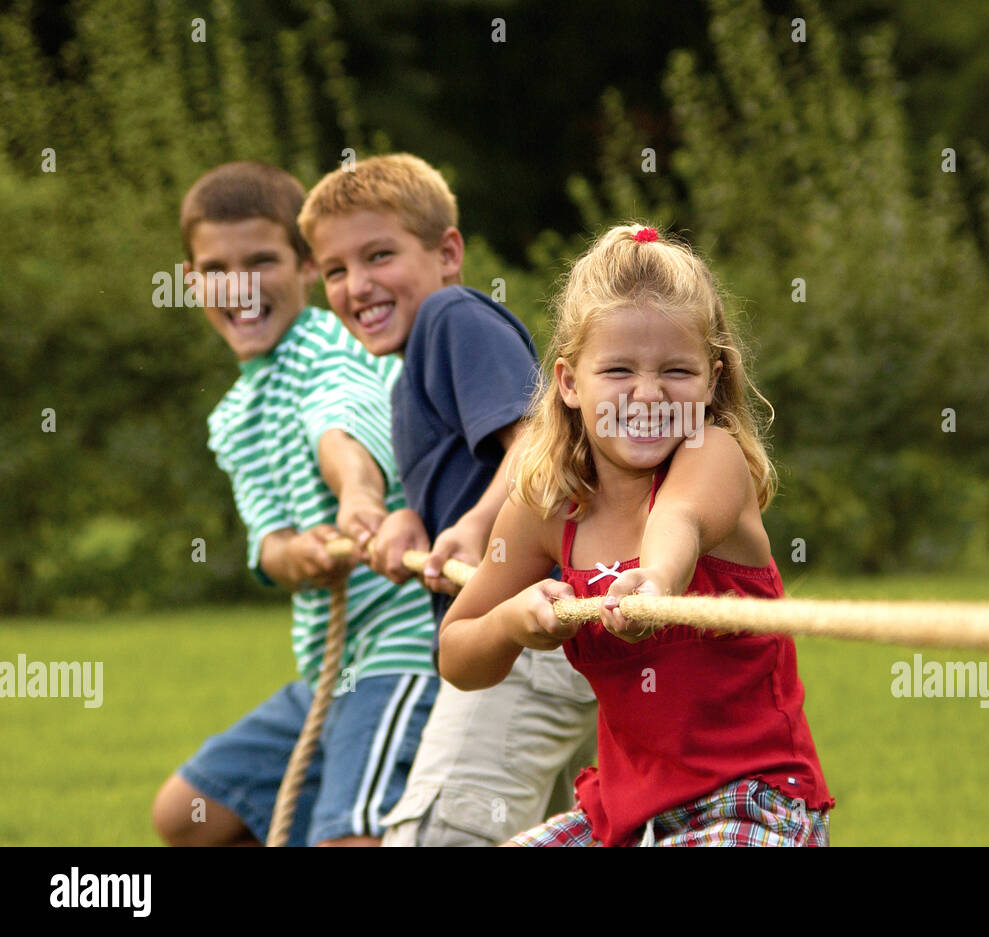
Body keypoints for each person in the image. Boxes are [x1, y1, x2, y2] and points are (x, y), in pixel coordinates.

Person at [438, 224, 833, 846]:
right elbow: (457, 651)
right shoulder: (548, 507)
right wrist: (514, 622)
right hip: (623, 815)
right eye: (619, 369)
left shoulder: (711, 453)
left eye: (676, 371)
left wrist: (654, 583)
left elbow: (678, 519)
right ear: (570, 383)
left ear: (711, 380)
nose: (648, 395)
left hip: (750, 802)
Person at [297, 153, 597, 846]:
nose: (358, 285)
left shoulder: (449, 316)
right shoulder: (410, 376)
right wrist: (415, 517)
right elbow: (478, 469)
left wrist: (470, 524)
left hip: (521, 629)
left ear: (448, 252)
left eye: (379, 255)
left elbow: (536, 446)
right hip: (540, 636)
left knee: (440, 837)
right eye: (337, 270)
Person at [151, 161, 439, 846]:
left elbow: (339, 422)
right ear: (192, 281)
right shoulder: (234, 416)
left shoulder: (326, 343)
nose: (240, 285)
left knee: (350, 835)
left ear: (306, 267)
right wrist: (299, 556)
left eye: (261, 261)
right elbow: (270, 545)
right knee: (188, 813)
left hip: (399, 651)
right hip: (329, 672)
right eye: (216, 267)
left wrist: (358, 495)